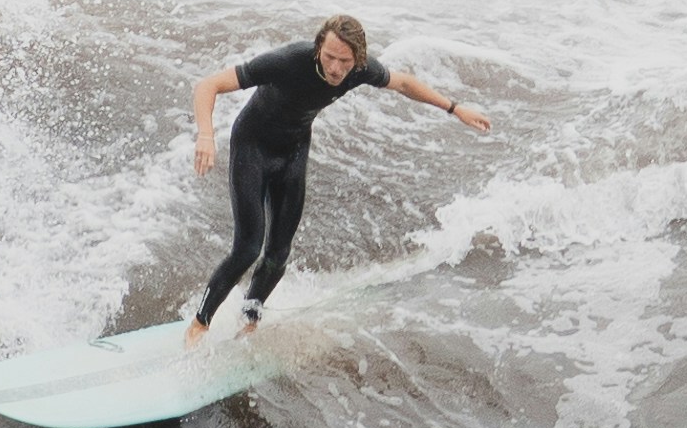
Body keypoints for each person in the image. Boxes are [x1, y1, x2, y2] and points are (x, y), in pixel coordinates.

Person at [186, 18, 492, 343]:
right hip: (253, 147)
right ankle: (199, 324)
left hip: (293, 151)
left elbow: (403, 83)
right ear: (319, 47)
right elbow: (208, 85)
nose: (335, 68)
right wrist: (206, 134)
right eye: (329, 57)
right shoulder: (289, 61)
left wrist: (455, 108)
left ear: (357, 60)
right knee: (247, 248)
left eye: (344, 62)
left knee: (278, 253)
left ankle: (249, 320)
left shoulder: (362, 70)